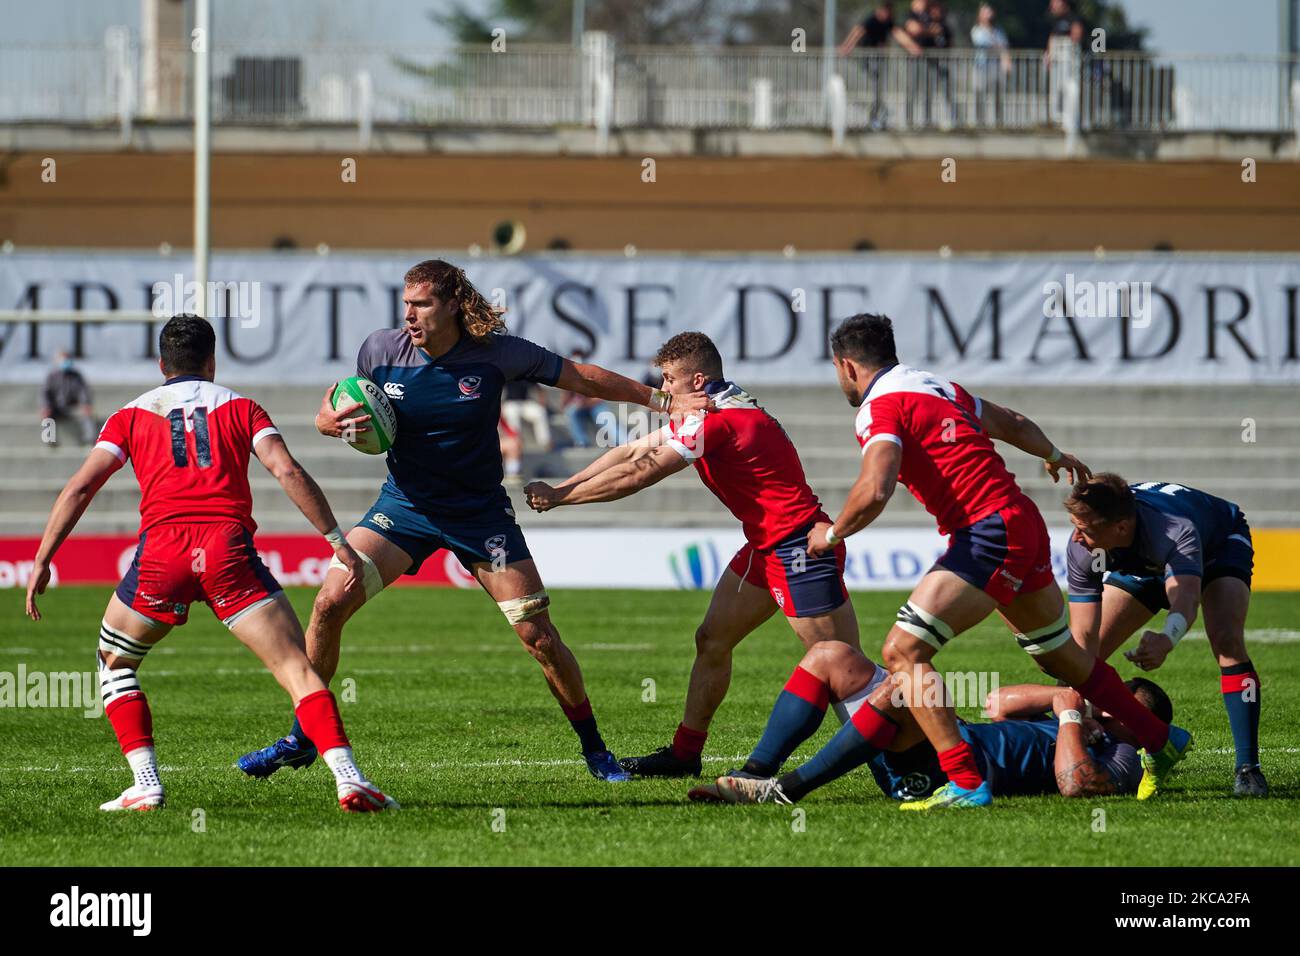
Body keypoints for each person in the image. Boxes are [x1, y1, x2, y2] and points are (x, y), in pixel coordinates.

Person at [237, 259, 710, 782]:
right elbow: (341, 406)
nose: (409, 315)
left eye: (421, 304)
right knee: (328, 604)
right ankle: (306, 736)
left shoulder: (497, 354)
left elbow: (581, 377)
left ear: (454, 305)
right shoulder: (380, 350)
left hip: (480, 515)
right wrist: (326, 422)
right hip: (404, 508)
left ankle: (595, 749)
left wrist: (662, 399)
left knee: (539, 637)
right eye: (406, 303)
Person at [804, 314, 1192, 809]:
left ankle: (966, 782)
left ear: (846, 365)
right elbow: (1010, 421)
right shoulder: (938, 386)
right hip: (1021, 523)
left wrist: (832, 533)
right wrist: (1053, 453)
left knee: (903, 653)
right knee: (1063, 658)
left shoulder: (878, 407)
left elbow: (876, 487)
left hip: (986, 532)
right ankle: (1159, 738)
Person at [24, 315, 396, 813]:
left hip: (162, 554)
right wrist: (337, 541)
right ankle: (349, 779)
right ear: (212, 361)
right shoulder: (241, 406)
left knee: (114, 664)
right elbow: (286, 469)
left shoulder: (129, 415)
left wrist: (43, 559)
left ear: (162, 364)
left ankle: (146, 783)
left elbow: (80, 487)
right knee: (296, 669)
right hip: (228, 552)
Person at [524, 331, 861, 777]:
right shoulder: (710, 407)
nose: (662, 390)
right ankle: (685, 754)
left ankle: (911, 764)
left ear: (697, 379)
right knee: (712, 639)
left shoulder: (715, 418)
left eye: (668, 379)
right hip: (768, 546)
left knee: (843, 669)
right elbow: (634, 448)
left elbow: (639, 475)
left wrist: (562, 499)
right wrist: (562, 487)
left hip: (800, 548)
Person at [688, 639, 1165, 805]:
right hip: (947, 739)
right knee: (830, 656)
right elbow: (998, 701)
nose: (1103, 705)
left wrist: (1069, 719)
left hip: (945, 771)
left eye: (1119, 705)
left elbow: (1074, 785)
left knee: (906, 683)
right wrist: (1068, 699)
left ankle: (787, 789)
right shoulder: (1082, 720)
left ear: (1135, 723)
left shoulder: (1120, 756)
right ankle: (756, 771)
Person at [1065, 475, 1267, 797]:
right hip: (1144, 561)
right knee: (1077, 659)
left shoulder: (1174, 531)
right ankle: (1075, 746)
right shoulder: (1085, 546)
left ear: (1118, 527)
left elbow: (1186, 601)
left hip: (1218, 543)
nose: (1075, 538)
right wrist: (1077, 710)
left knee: (1226, 640)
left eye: (1085, 530)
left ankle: (1248, 769)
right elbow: (1083, 635)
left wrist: (1166, 639)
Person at [838, 3, 912, 129]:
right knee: (869, 83)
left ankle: (876, 112)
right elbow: (857, 32)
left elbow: (898, 34)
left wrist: (912, 47)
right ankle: (871, 110)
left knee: (876, 86)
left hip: (878, 59)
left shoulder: (888, 21)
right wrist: (847, 47)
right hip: (867, 57)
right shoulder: (871, 19)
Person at [41, 350, 98, 446]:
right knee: (47, 417)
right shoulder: (52, 376)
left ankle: (90, 438)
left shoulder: (77, 376)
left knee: (87, 414)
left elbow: (83, 391)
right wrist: (46, 406)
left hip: (74, 407)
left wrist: (85, 403)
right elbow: (45, 393)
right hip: (57, 408)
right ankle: (49, 441)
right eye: (64, 360)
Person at [970, 3, 1011, 126]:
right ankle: (979, 121)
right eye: (986, 12)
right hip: (981, 67)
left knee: (998, 95)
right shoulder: (977, 30)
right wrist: (998, 47)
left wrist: (1006, 59)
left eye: (990, 12)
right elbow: (983, 44)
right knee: (979, 94)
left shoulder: (999, 30)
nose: (989, 15)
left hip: (996, 67)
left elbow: (1004, 46)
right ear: (980, 15)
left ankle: (999, 121)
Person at [501, 380, 553, 452]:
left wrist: (542, 399)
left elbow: (539, 388)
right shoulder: (509, 374)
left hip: (525, 402)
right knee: (512, 412)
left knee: (540, 411)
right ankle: (516, 441)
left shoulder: (526, 374)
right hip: (510, 402)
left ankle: (545, 441)